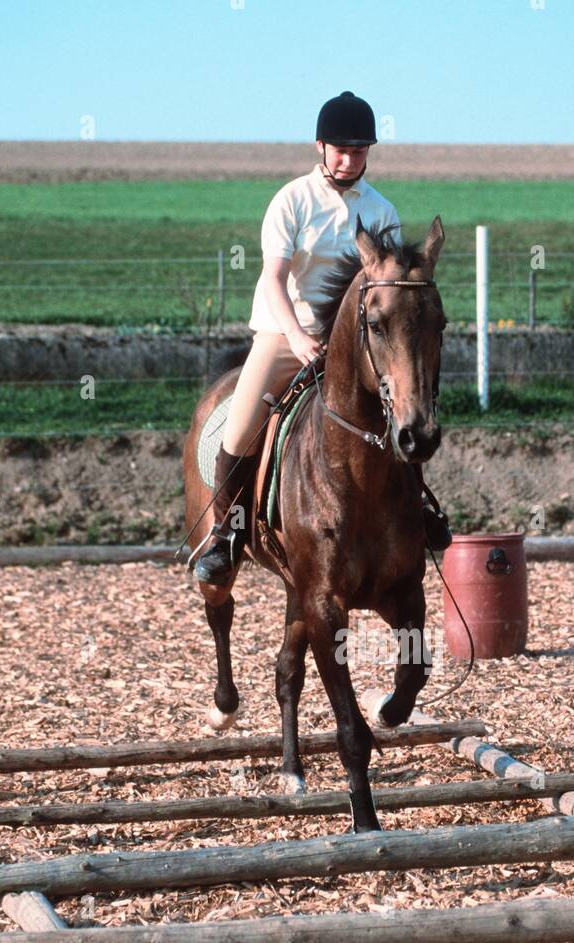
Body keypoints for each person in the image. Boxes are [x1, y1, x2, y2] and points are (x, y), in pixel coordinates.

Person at [194, 90, 451, 586]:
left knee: (407, 408)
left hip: (358, 345)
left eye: (359, 151)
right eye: (341, 149)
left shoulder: (381, 210)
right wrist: (296, 335)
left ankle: (417, 508)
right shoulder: (291, 200)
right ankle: (228, 534)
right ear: (320, 147)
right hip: (288, 334)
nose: (350, 159)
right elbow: (272, 279)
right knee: (241, 423)